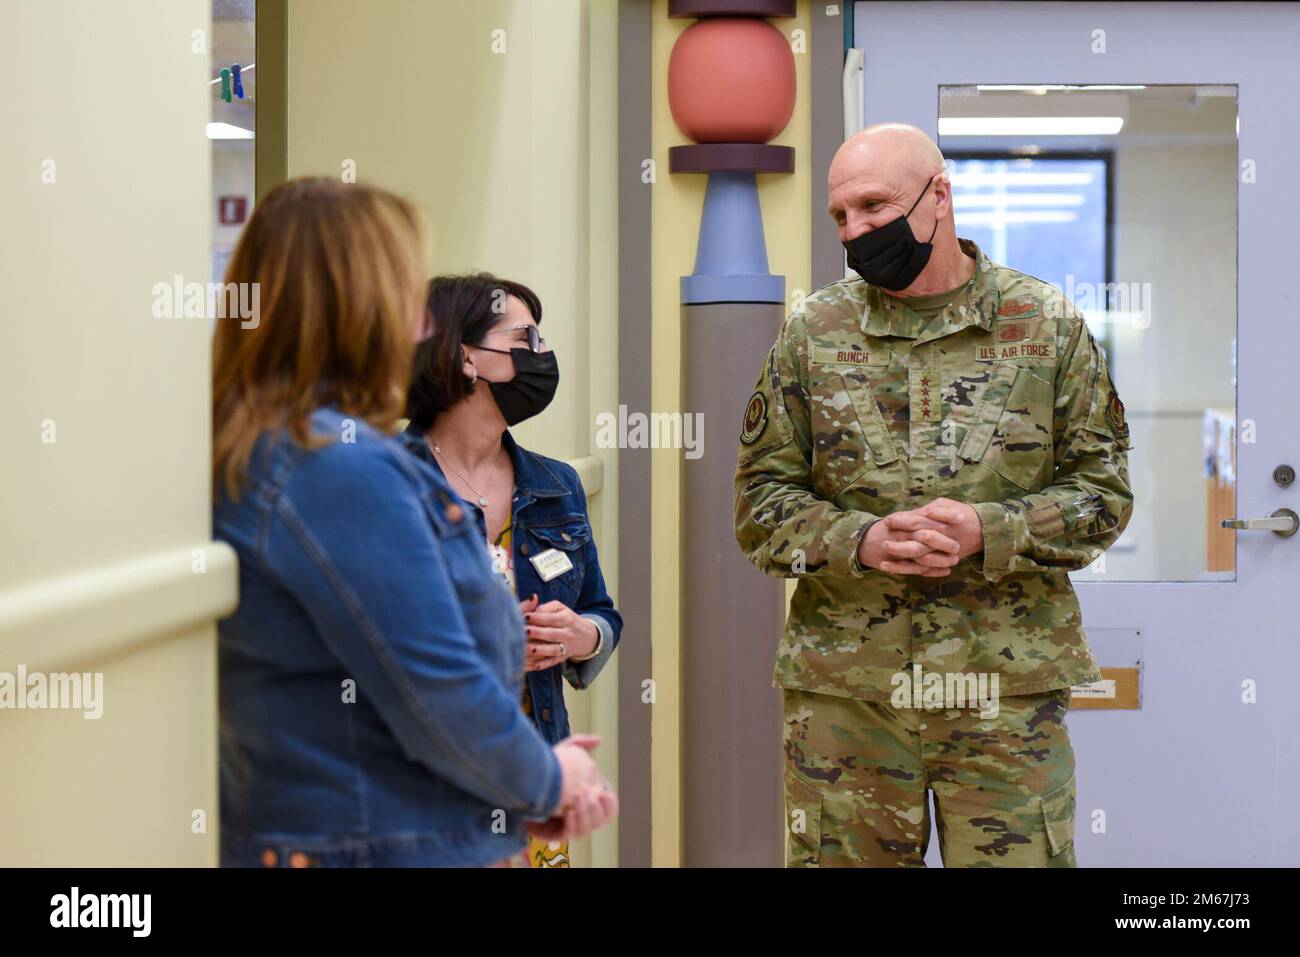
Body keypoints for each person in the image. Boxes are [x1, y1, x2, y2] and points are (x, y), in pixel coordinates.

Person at [733, 123, 1133, 867]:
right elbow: (759, 505)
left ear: (938, 196)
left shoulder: (1046, 327)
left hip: (1003, 692)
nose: (856, 231)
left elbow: (1104, 494)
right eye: (841, 216)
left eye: (874, 206)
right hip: (849, 695)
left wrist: (992, 529)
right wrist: (861, 541)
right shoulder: (812, 333)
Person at [212, 178, 616, 868]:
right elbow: (437, 684)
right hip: (383, 839)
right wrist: (549, 779)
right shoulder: (336, 466)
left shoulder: (280, 446)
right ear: (358, 302)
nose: (421, 322)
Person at [403, 272, 623, 868]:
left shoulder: (555, 485)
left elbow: (601, 611)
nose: (542, 356)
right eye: (524, 338)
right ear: (462, 355)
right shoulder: (385, 486)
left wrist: (583, 636)